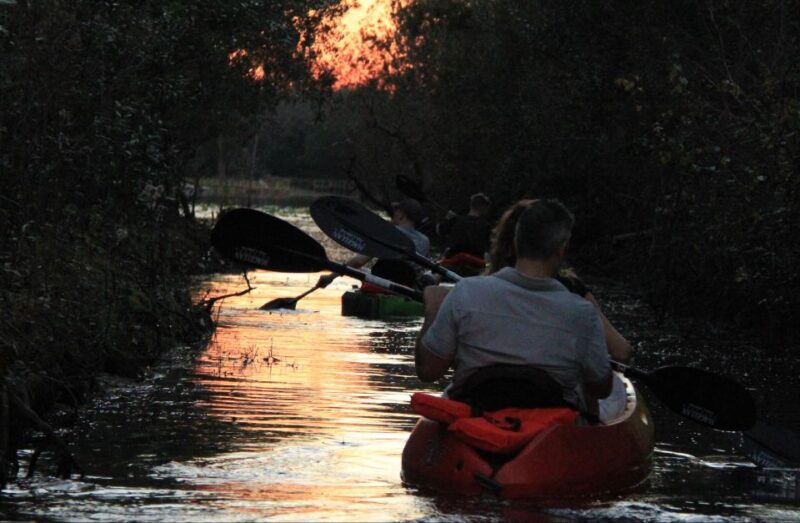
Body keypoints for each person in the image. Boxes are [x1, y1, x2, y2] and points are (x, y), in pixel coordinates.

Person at [415, 199, 613, 417]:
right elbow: (601, 388)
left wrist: (433, 308)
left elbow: (428, 370)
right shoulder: (582, 313)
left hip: (475, 422)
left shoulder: (465, 291)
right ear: (562, 249)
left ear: (516, 243)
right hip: (549, 432)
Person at [317, 198, 431, 289]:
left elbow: (359, 261)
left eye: (395, 212)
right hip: (408, 286)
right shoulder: (425, 240)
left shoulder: (386, 233)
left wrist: (331, 277)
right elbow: (420, 271)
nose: (393, 215)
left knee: (364, 270)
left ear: (401, 215)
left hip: (382, 282)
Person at [437, 192, 492, 259]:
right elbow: (489, 249)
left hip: (452, 259)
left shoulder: (456, 220)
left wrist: (447, 219)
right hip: (474, 263)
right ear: (484, 208)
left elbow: (439, 230)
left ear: (471, 205)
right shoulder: (486, 226)